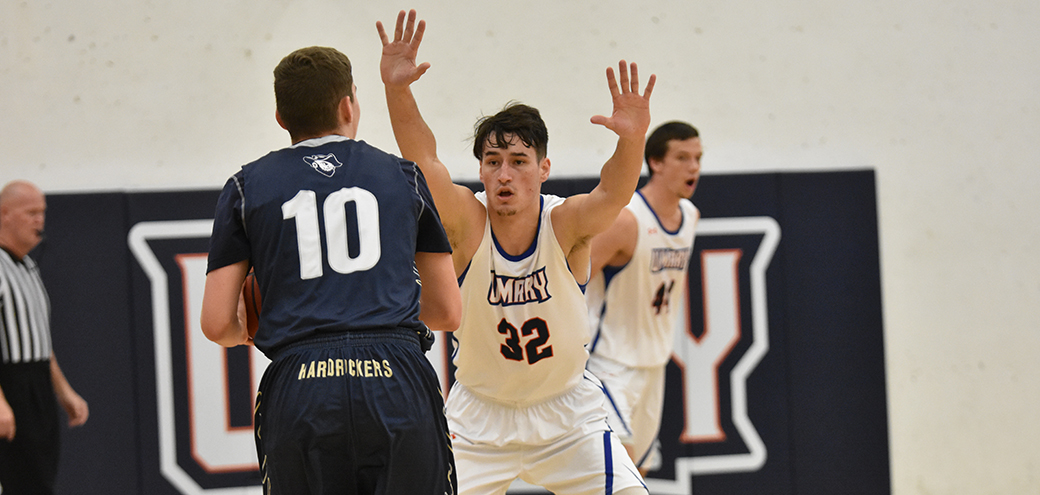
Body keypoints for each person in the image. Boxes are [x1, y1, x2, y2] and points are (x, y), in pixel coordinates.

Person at [378, 10, 655, 495]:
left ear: (544, 168)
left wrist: (632, 140)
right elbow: (423, 161)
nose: (505, 174)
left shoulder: (564, 223)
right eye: (493, 162)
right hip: (479, 419)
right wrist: (398, 91)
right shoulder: (467, 221)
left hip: (569, 413)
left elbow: (612, 193)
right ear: (481, 171)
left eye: (519, 162)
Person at [199, 45, 462, 494]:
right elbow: (446, 311)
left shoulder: (245, 187)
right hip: (395, 375)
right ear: (348, 104)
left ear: (281, 117)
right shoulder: (403, 176)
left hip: (300, 383)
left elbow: (216, 322)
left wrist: (248, 328)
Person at [584, 121, 702, 474]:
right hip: (609, 364)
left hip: (653, 366)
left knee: (638, 472)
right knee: (620, 475)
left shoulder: (691, 217)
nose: (694, 167)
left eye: (698, 158)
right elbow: (567, 278)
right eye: (682, 157)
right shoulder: (626, 220)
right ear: (655, 163)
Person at [0, 180, 90, 495]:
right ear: (3, 215)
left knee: (39, 481)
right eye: (31, 213)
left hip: (36, 387)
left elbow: (41, 344)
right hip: (9, 384)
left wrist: (64, 392)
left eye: (43, 212)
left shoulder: (29, 268)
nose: (40, 220)